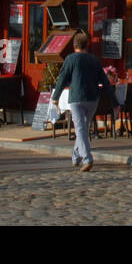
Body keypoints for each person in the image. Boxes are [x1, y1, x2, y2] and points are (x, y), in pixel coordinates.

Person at [50, 31, 112, 172]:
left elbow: (62, 79)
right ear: (87, 45)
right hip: (92, 98)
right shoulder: (94, 60)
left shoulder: (71, 59)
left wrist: (55, 97)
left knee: (80, 129)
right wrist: (112, 98)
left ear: (74, 46)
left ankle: (87, 158)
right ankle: (76, 156)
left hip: (76, 97)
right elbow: (104, 80)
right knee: (83, 128)